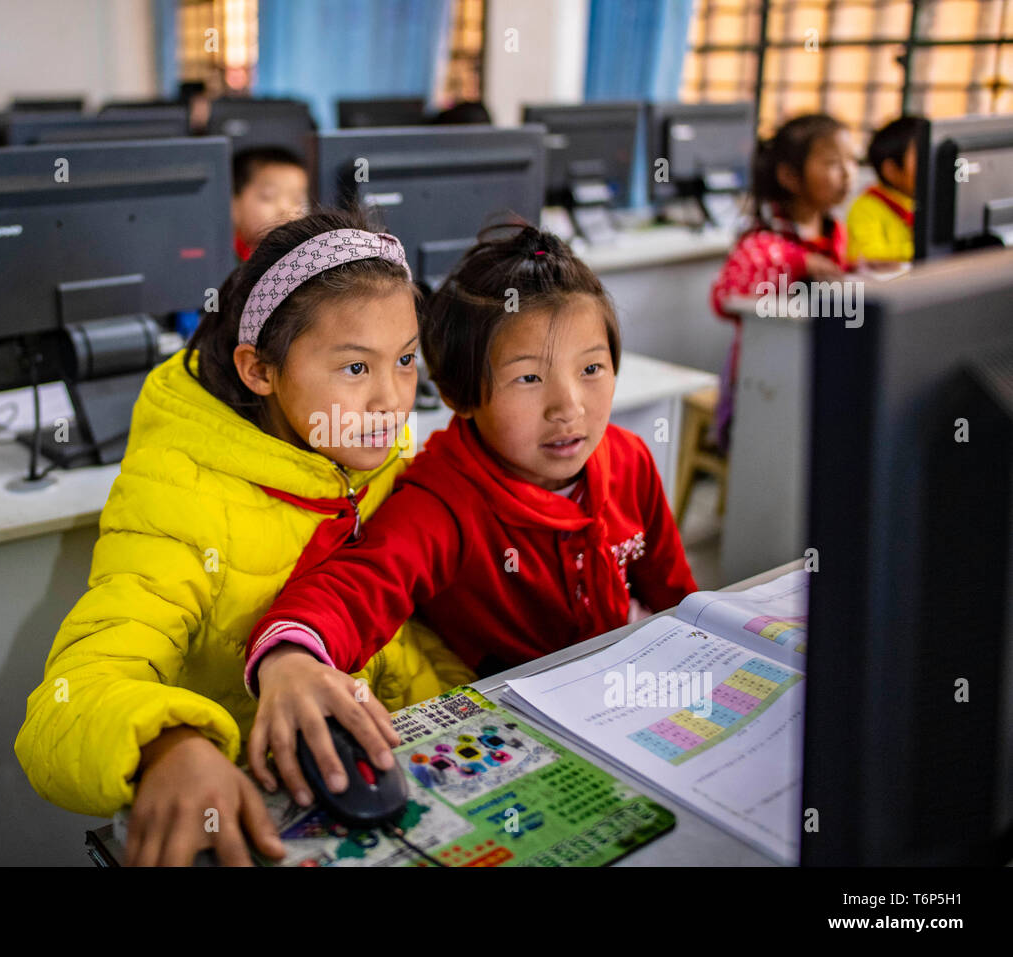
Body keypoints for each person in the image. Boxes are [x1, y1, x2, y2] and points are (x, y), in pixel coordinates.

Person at [14, 208, 474, 866]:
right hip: (253, 797)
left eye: (404, 360)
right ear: (259, 369)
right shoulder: (179, 497)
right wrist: (170, 746)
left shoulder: (363, 457)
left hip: (389, 751)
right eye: (354, 369)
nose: (391, 400)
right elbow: (66, 704)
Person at [243, 223, 698, 799]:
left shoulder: (628, 460)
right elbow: (355, 587)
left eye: (592, 368)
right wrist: (289, 658)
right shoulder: (443, 501)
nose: (569, 407)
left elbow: (677, 600)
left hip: (618, 718)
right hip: (519, 748)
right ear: (460, 395)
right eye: (528, 378)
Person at [709, 113, 857, 452]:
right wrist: (796, 263)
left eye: (852, 160)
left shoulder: (836, 233)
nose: (848, 173)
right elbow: (723, 298)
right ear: (790, 176)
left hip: (818, 373)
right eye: (833, 163)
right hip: (764, 383)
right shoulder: (761, 243)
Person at [847, 115, 922, 264]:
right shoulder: (865, 209)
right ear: (892, 171)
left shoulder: (924, 203)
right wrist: (919, 250)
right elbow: (868, 257)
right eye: (922, 157)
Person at [230, 145, 308, 263]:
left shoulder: (302, 259)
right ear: (234, 203)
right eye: (269, 197)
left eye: (296, 199)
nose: (286, 209)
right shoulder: (223, 258)